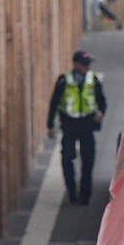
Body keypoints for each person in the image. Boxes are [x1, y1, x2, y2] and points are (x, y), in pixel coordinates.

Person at [46, 50, 107, 205]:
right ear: (75, 64)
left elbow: (102, 101)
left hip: (87, 126)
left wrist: (100, 113)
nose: (87, 67)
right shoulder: (63, 81)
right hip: (69, 126)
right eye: (84, 64)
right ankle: (71, 191)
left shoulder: (92, 80)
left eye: (88, 64)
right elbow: (54, 103)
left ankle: (85, 196)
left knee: (88, 161)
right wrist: (50, 125)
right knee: (67, 159)